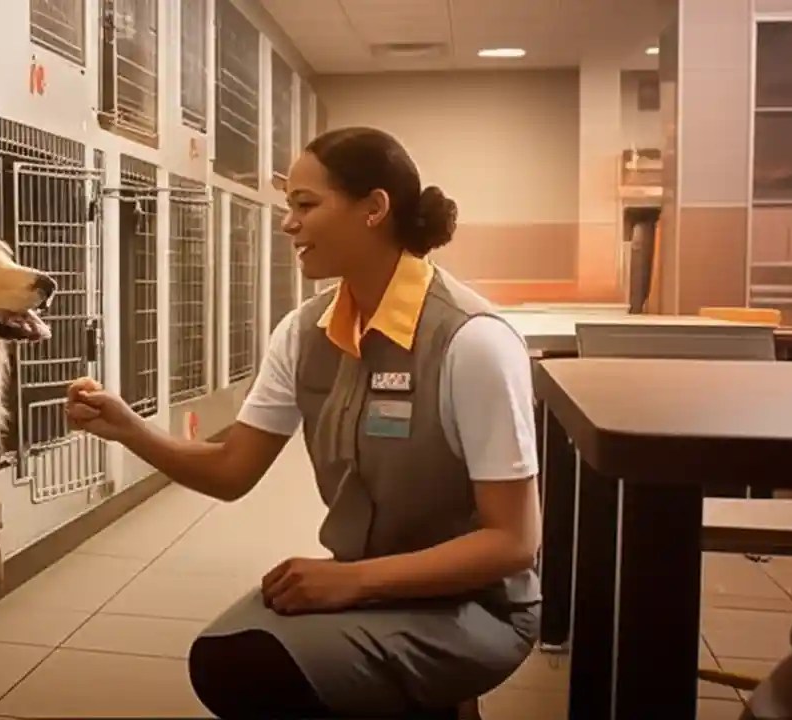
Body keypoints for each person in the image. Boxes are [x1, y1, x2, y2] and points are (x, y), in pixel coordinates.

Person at [64, 127, 542, 719]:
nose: (288, 224)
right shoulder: (304, 333)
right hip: (368, 587)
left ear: (374, 209)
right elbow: (232, 471)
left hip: (475, 605)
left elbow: (513, 542)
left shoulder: (471, 342)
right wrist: (129, 429)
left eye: (305, 206)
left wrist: (354, 582)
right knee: (222, 656)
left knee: (253, 672)